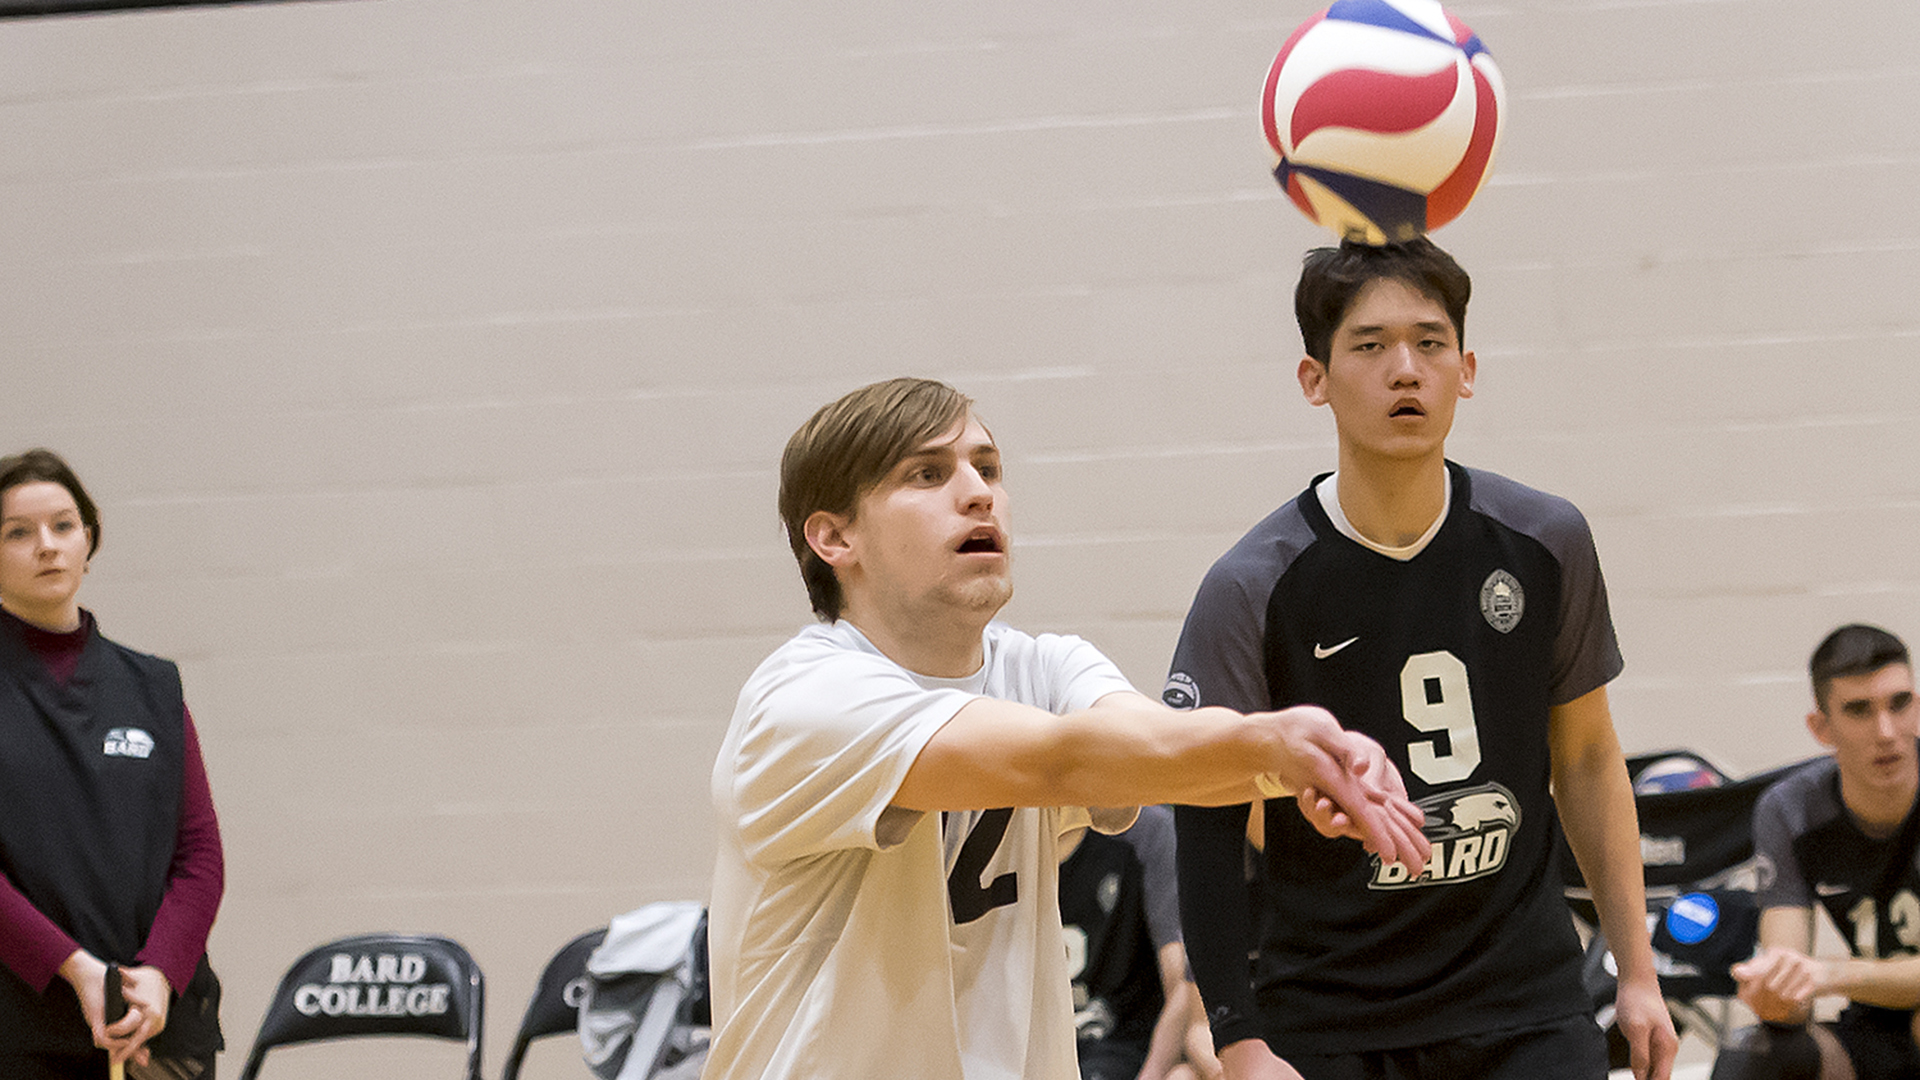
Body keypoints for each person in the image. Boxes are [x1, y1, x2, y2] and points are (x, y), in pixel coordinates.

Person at [704, 377, 1431, 1080]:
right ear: (835, 537)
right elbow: (1060, 761)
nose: (978, 492)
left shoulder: (1047, 666)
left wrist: (1310, 761)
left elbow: (1158, 746)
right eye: (927, 474)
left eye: (988, 467)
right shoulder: (805, 698)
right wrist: (1271, 745)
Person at [1165, 238, 1679, 1080]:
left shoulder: (1545, 541)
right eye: (1370, 345)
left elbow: (1587, 756)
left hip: (1527, 1008)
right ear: (1314, 380)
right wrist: (1235, 1035)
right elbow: (1205, 816)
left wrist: (1638, 972)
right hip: (1333, 1019)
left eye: (1430, 343)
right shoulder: (1251, 585)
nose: (1405, 370)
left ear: (1466, 370)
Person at [0, 448, 225, 1080]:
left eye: (63, 525)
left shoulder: (153, 685)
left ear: (89, 539)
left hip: (158, 1024)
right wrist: (78, 971)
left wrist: (159, 974)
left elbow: (200, 853)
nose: (47, 546)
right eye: (18, 532)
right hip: (22, 1030)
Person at [1709, 623, 1920, 1080]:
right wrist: (1776, 990)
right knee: (1753, 1055)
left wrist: (1829, 975)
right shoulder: (1790, 810)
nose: (1886, 731)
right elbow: (1791, 979)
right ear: (1822, 728)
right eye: (1859, 710)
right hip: (1874, 1024)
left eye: (1900, 703)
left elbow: (1819, 975)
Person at [1059, 804, 1221, 1080]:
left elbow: (1183, 989)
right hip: (1031, 1045)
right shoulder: (1005, 839)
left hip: (1116, 1046)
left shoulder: (1149, 833)